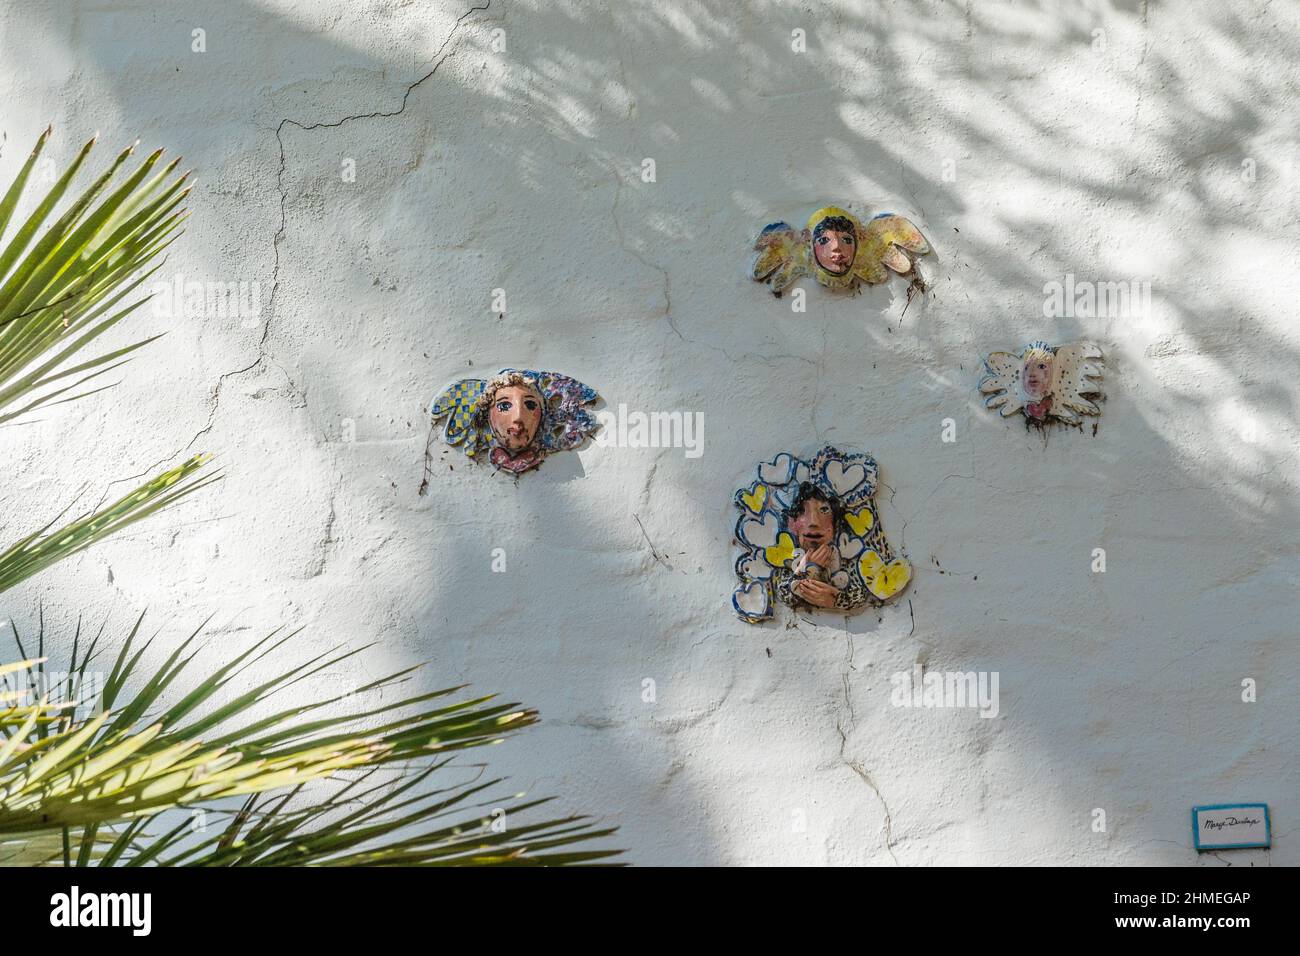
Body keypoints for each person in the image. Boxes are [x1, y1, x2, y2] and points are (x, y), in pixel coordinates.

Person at [773, 482, 867, 610]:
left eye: (824, 510)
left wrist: (837, 599)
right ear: (792, 523)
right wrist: (805, 571)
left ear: (835, 523)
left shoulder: (846, 557)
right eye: (802, 511)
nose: (813, 522)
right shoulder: (786, 557)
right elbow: (784, 594)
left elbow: (861, 593)